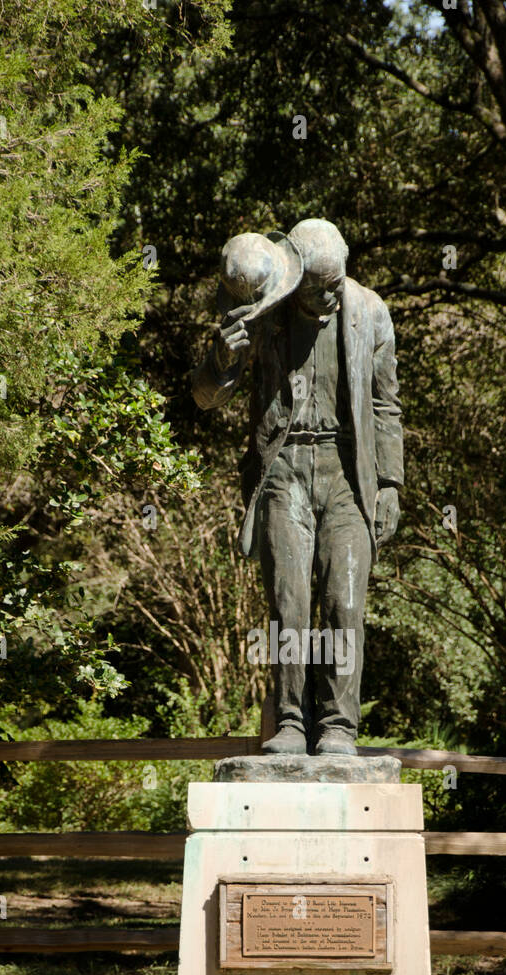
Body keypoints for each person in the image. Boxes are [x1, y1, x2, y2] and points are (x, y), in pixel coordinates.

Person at [192, 218, 403, 755]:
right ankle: (289, 721)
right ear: (298, 283)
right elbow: (206, 397)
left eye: (336, 284)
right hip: (284, 469)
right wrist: (222, 357)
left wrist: (391, 483)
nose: (330, 295)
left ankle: (339, 727)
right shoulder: (268, 310)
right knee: (289, 601)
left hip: (348, 472)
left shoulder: (371, 312)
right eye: (318, 288)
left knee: (344, 601)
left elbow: (385, 405)